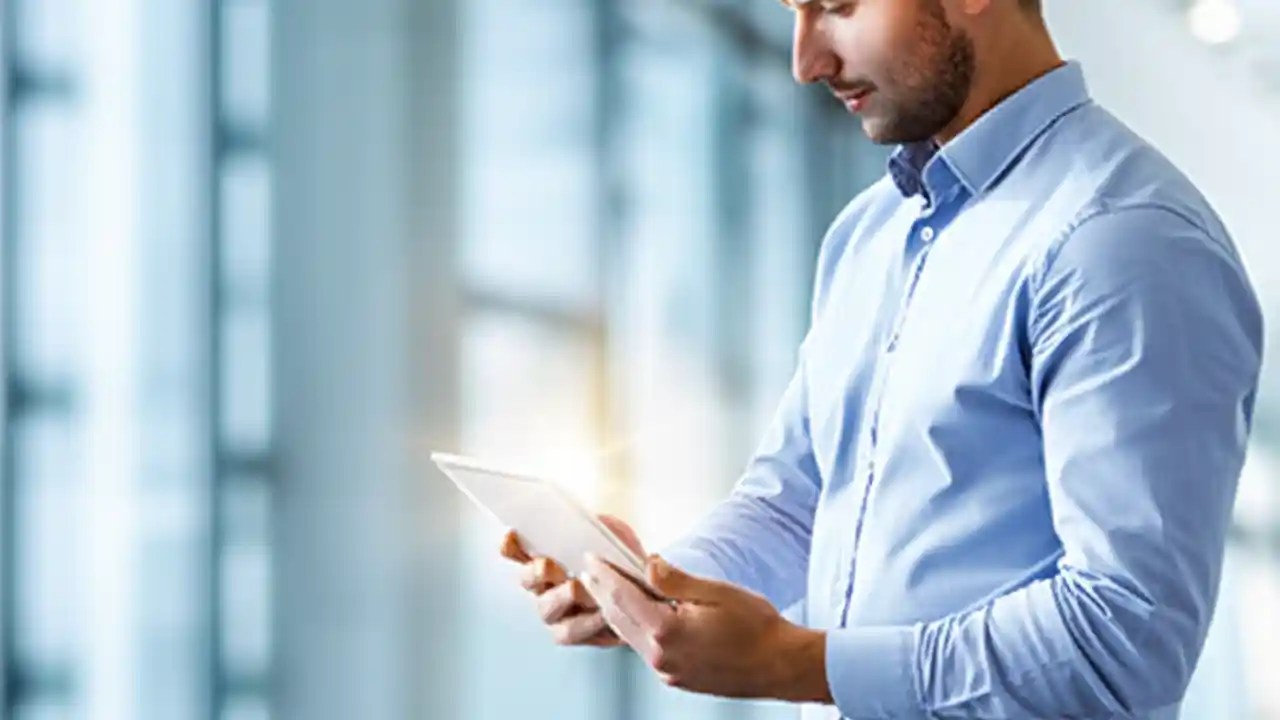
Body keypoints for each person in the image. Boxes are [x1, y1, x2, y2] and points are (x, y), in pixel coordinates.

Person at [501, 0, 1264, 717]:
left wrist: (794, 663)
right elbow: (794, 502)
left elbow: (1122, 642)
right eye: (792, 11)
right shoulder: (870, 234)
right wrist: (650, 587)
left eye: (837, 6)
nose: (805, 61)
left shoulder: (1123, 241)